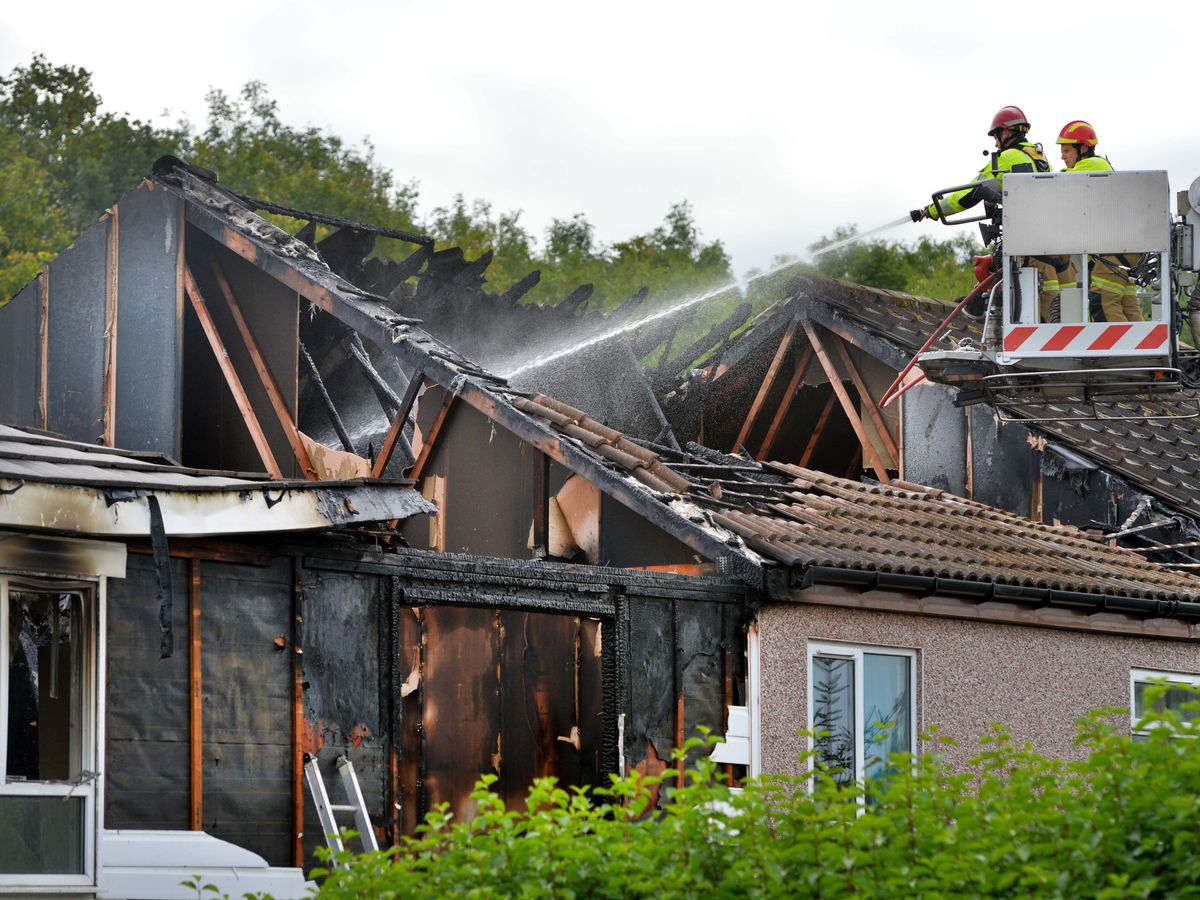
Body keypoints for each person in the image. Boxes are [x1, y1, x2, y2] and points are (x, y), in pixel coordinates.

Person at [911, 106, 1057, 320]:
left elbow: (969, 193)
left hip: (1026, 241)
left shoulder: (1008, 157)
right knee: (1041, 293)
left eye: (996, 137)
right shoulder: (1040, 158)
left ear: (1006, 132)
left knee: (1026, 296)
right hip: (1047, 236)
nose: (996, 143)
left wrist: (933, 210)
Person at [1056, 120, 1141, 322]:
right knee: (1126, 306)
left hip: (1115, 252)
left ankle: (1120, 351)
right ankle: (1142, 351)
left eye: (1067, 150)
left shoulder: (1091, 165)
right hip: (1122, 249)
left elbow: (1055, 184)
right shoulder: (1096, 167)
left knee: (1102, 301)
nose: (1062, 156)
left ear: (1083, 148)